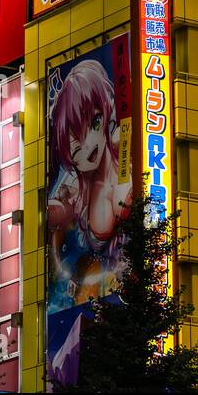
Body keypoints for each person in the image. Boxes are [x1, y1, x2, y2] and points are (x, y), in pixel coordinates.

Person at [46, 59, 132, 310]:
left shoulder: (121, 145)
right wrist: (51, 212)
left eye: (95, 123)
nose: (89, 146)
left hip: (128, 282)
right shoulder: (77, 187)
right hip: (99, 290)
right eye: (76, 150)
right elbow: (62, 210)